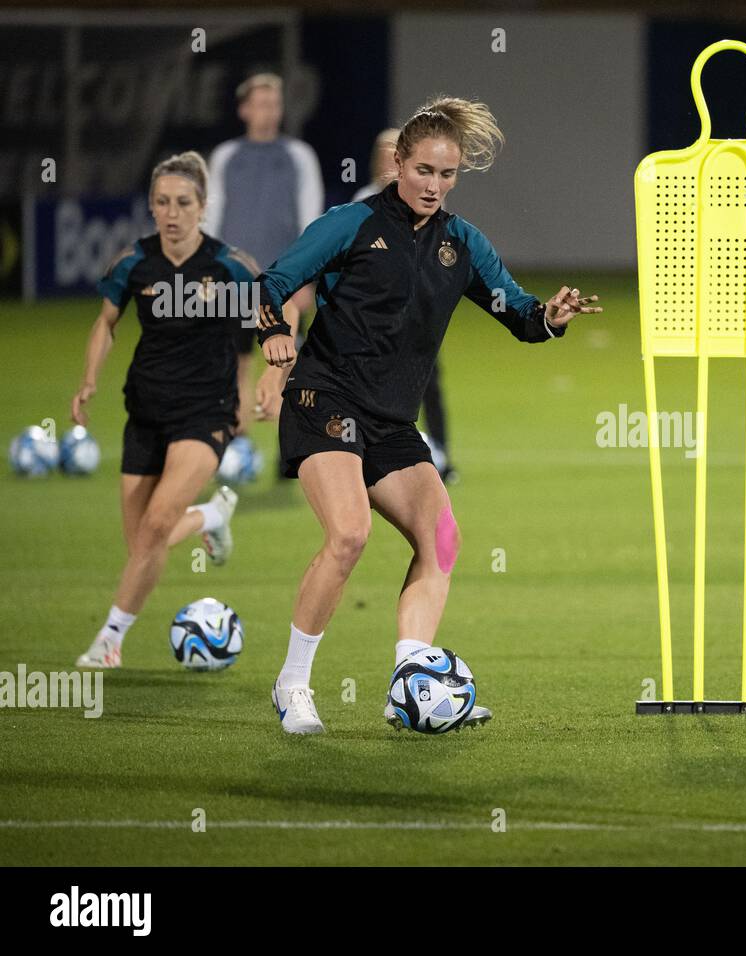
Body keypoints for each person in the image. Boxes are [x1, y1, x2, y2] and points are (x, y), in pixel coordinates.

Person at [253, 96, 602, 735]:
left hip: (390, 421)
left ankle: (410, 683)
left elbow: (518, 313)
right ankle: (292, 683)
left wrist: (549, 318)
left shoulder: (462, 244)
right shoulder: (349, 224)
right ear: (398, 164)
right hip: (325, 399)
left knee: (441, 541)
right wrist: (274, 332)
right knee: (350, 534)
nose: (434, 186)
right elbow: (273, 282)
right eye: (423, 172)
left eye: (446, 176)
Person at [71, 151, 297, 669]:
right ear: (151, 206)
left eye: (183, 203)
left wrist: (273, 373)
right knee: (142, 547)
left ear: (203, 206)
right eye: (162, 202)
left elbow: (276, 311)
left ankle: (108, 641)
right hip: (145, 412)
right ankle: (211, 515)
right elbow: (106, 323)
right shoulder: (133, 261)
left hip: (206, 412)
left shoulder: (230, 265)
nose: (172, 213)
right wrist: (88, 381)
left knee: (154, 531)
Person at [207, 73, 323, 438]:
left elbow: (311, 218)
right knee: (235, 362)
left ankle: (290, 442)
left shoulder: (299, 155)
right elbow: (212, 215)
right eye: (260, 104)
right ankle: (236, 439)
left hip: (283, 281)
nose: (268, 112)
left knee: (288, 361)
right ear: (244, 110)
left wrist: (307, 276)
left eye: (273, 104)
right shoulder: (226, 156)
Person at [352, 127, 459, 483]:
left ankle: (441, 452)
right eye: (383, 152)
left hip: (417, 315)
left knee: (428, 380)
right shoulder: (362, 204)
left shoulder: (433, 205)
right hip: (373, 322)